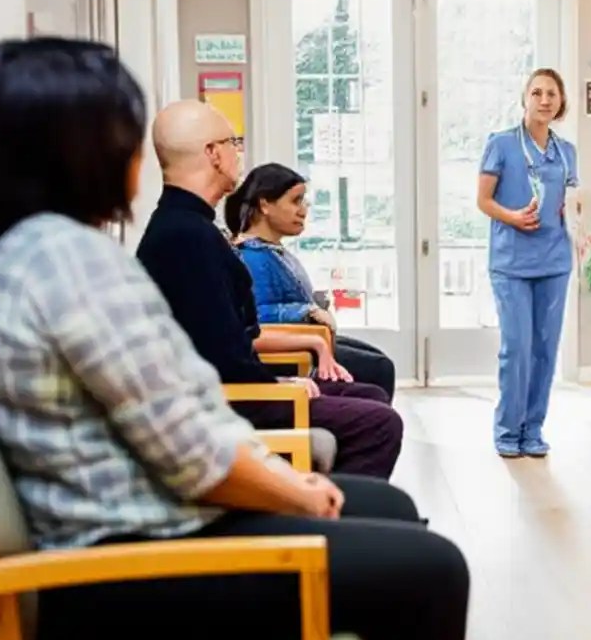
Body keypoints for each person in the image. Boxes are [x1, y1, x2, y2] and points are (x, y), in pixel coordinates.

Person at [0, 37, 468, 640]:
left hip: (102, 547)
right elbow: (195, 458)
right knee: (435, 570)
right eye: (126, 134)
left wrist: (290, 481)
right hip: (133, 568)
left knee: (392, 510)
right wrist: (295, 490)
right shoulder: (64, 260)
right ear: (83, 150)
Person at [137, 99, 402, 479]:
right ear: (213, 154)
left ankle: (344, 505)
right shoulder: (186, 239)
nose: (238, 152)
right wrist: (280, 383)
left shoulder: (188, 228)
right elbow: (223, 360)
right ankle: (324, 522)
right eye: (234, 142)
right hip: (231, 404)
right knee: (379, 424)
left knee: (372, 396)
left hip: (238, 389)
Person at [224, 162, 397, 399]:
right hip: (283, 354)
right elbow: (258, 319)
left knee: (378, 360)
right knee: (379, 368)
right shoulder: (252, 257)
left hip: (302, 339)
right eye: (296, 201)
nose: (303, 210)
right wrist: (305, 311)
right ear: (265, 204)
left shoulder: (270, 251)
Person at [476, 67, 579, 458]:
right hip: (511, 262)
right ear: (525, 99)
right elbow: (483, 201)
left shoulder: (566, 153)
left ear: (561, 102)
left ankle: (533, 429)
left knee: (545, 349)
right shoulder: (501, 145)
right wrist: (513, 217)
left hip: (555, 261)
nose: (544, 100)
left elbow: (572, 202)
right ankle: (507, 430)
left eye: (552, 94)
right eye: (537, 93)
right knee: (516, 347)